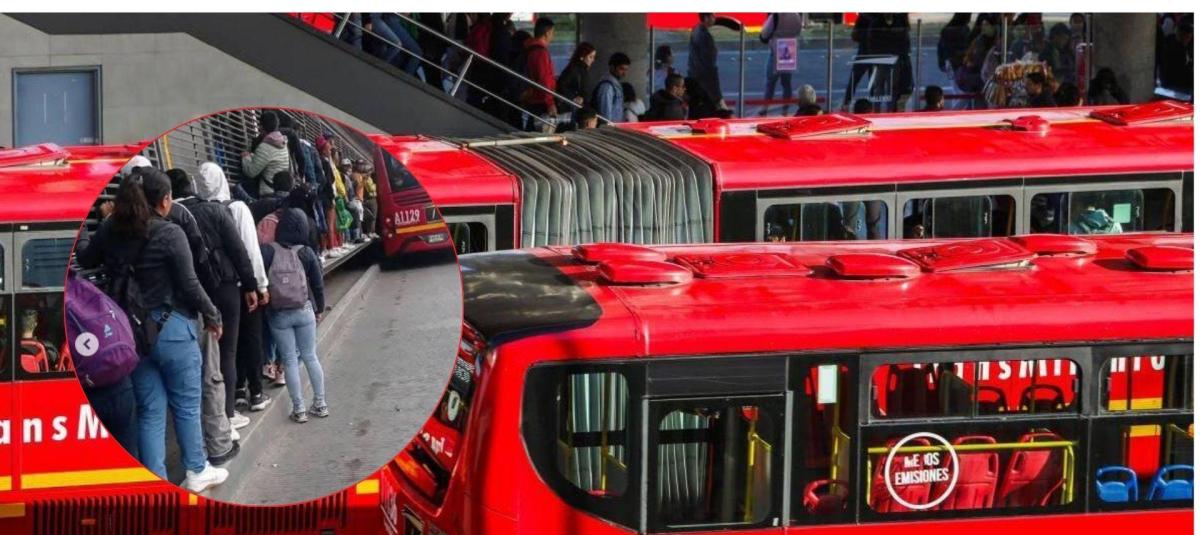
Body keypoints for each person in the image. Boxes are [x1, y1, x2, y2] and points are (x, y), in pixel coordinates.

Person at [76, 171, 228, 492]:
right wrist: (213, 315)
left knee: (150, 411)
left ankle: (155, 482)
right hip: (172, 328)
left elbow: (85, 257)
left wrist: (91, 226)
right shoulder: (171, 233)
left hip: (131, 335)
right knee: (186, 404)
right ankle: (197, 471)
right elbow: (190, 284)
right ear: (163, 201)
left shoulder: (108, 230)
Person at [169, 168, 264, 442]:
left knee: (198, 359)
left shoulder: (168, 217)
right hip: (224, 289)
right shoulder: (215, 211)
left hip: (186, 296)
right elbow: (239, 251)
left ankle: (202, 422)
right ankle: (227, 415)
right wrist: (250, 286)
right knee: (226, 352)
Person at [195, 162, 272, 419]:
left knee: (228, 345)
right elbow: (249, 250)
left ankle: (237, 392)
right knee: (251, 338)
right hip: (240, 285)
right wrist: (259, 285)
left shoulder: (195, 212)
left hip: (213, 287)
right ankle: (256, 393)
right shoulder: (236, 208)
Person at [260, 209, 328, 423]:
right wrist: (319, 309)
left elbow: (260, 279)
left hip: (279, 314)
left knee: (289, 360)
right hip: (304, 310)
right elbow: (317, 284)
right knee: (310, 356)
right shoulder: (306, 252)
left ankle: (298, 410)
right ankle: (320, 404)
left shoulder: (267, 251)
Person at [518, 17, 558, 129]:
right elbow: (543, 79)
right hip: (540, 100)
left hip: (532, 98)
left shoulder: (529, 47)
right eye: (553, 32)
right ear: (547, 33)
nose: (553, 35)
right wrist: (550, 103)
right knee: (539, 133)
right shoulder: (540, 52)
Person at [760, 13, 803, 116]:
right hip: (790, 50)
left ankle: (764, 109)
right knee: (786, 84)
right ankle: (785, 111)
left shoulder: (775, 16)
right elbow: (798, 30)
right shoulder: (796, 15)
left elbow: (764, 34)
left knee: (770, 83)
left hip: (776, 50)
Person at [242, 112, 290, 197]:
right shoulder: (283, 142)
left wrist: (245, 157)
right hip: (281, 191)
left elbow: (251, 172)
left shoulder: (265, 147)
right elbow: (271, 160)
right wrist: (253, 156)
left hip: (268, 193)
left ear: (261, 127)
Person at [688, 14, 723, 110]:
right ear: (706, 18)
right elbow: (708, 61)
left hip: (696, 75)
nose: (714, 19)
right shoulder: (704, 35)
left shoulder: (696, 30)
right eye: (712, 16)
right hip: (705, 78)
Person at [592, 52, 631, 122]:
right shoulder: (607, 87)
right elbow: (605, 115)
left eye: (626, 70)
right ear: (612, 67)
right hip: (610, 129)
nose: (624, 73)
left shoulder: (614, 85)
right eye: (621, 69)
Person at [556, 42, 596, 107]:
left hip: (580, 106)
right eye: (590, 57)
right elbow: (561, 85)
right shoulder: (575, 69)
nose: (593, 60)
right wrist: (574, 97)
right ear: (582, 57)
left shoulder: (582, 69)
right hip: (574, 108)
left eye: (594, 57)